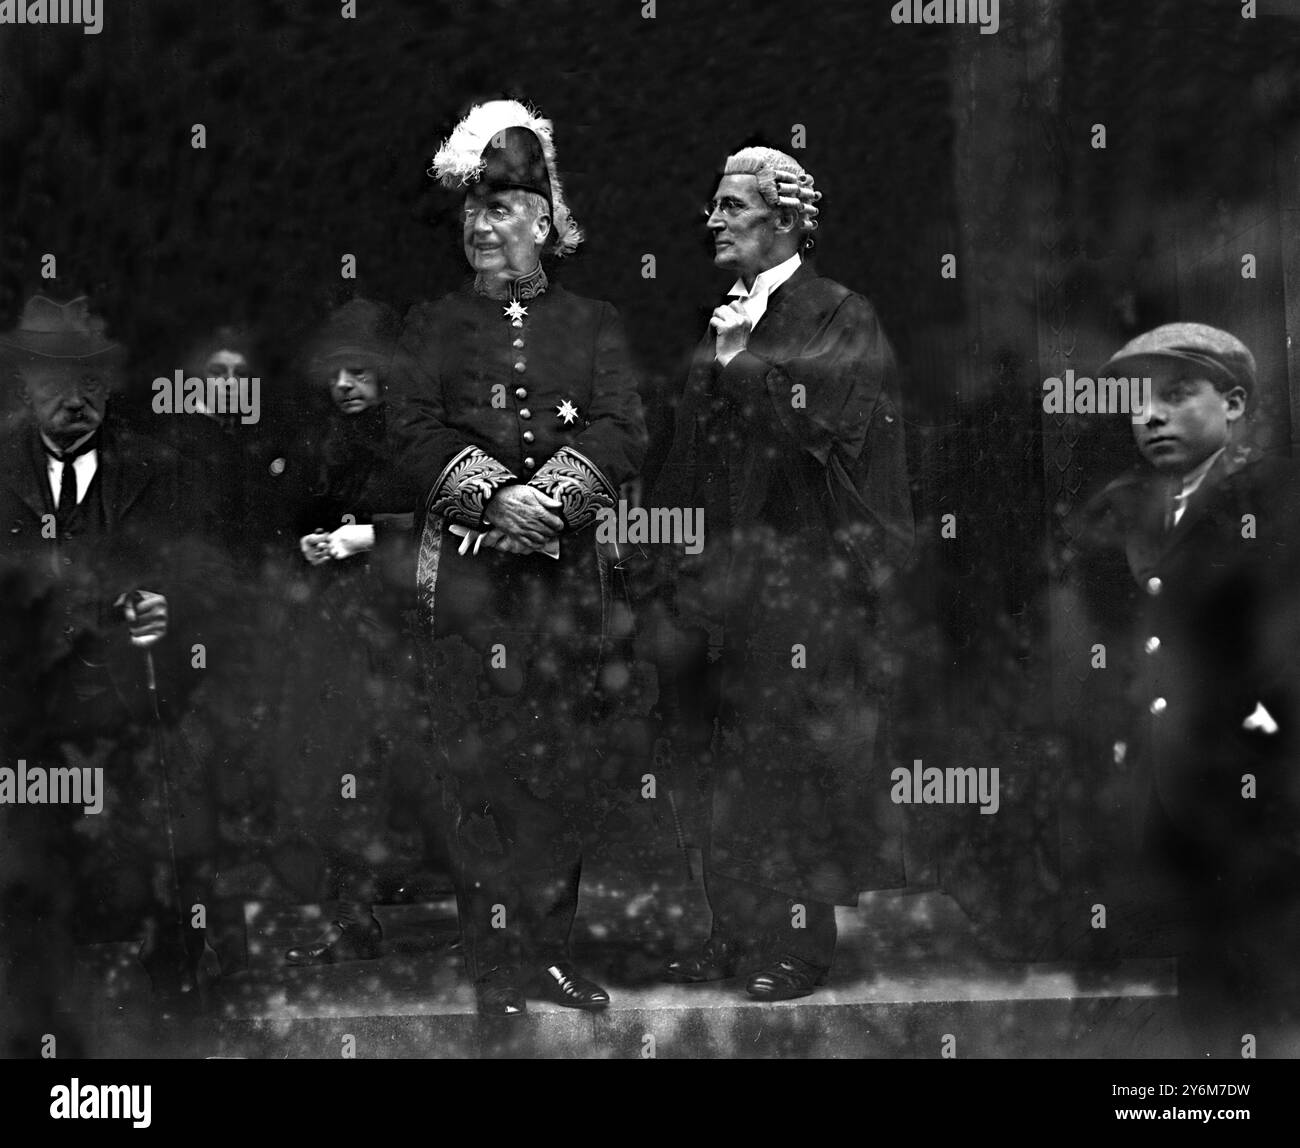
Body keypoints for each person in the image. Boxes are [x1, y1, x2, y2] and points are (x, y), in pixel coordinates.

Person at [389, 99, 646, 1016]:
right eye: (471, 208)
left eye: (498, 206)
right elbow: (408, 431)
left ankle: (546, 954)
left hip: (569, 587)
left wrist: (555, 503)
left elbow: (624, 426)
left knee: (563, 771)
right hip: (464, 587)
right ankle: (494, 968)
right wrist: (496, 496)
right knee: (480, 773)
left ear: (542, 217)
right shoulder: (429, 326)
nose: (480, 224)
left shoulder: (596, 322)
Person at [646, 146, 913, 1001]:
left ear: (787, 220)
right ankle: (732, 932)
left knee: (790, 757)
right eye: (714, 205)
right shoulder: (725, 318)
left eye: (732, 206)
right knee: (719, 759)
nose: (713, 219)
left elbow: (822, 438)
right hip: (718, 584)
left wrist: (740, 364)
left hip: (804, 584)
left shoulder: (841, 313)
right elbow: (688, 458)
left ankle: (800, 945)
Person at [1073, 323, 1300, 1053]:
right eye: (1138, 401)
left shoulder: (1275, 503)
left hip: (1261, 795)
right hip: (1175, 792)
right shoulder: (1130, 508)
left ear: (1233, 405)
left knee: (1266, 988)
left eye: (1175, 395)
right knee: (1205, 990)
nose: (1149, 415)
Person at [0, 294, 219, 1027]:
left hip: (138, 706)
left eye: (91, 382)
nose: (76, 399)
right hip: (26, 713)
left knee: (160, 868)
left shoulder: (161, 468)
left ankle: (179, 1015)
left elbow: (203, 579)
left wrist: (173, 613)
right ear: (25, 387)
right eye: (56, 381)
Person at [279, 297, 425, 966]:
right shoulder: (321, 440)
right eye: (338, 374)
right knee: (337, 762)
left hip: (409, 627)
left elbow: (448, 528)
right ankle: (347, 908)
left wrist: (366, 538)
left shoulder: (418, 439)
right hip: (335, 626)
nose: (345, 386)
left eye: (360, 373)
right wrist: (314, 548)